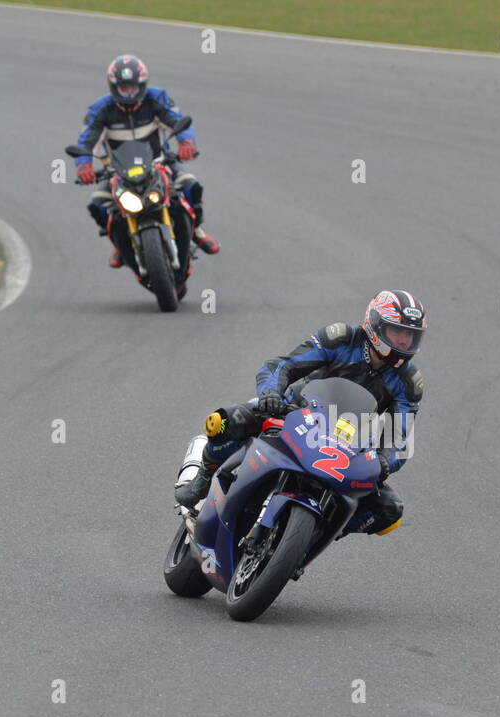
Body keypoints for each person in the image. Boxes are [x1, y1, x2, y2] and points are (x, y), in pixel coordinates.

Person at [175, 291, 427, 537]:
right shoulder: (340, 338)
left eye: (410, 336)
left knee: (389, 511)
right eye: (398, 332)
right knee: (221, 422)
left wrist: (384, 462)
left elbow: (399, 437)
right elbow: (281, 365)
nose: (404, 342)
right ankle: (204, 477)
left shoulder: (409, 382)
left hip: (345, 444)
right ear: (375, 325)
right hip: (295, 411)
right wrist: (270, 394)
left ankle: (315, 531)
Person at [74, 54, 219, 268]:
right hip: (118, 172)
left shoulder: (157, 98)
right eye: (124, 88)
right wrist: (84, 165)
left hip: (160, 163)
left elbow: (178, 122)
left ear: (142, 84)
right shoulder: (100, 110)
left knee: (191, 185)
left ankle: (197, 230)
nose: (129, 92)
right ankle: (119, 244)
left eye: (133, 87)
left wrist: (186, 143)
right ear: (114, 87)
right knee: (97, 204)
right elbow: (86, 141)